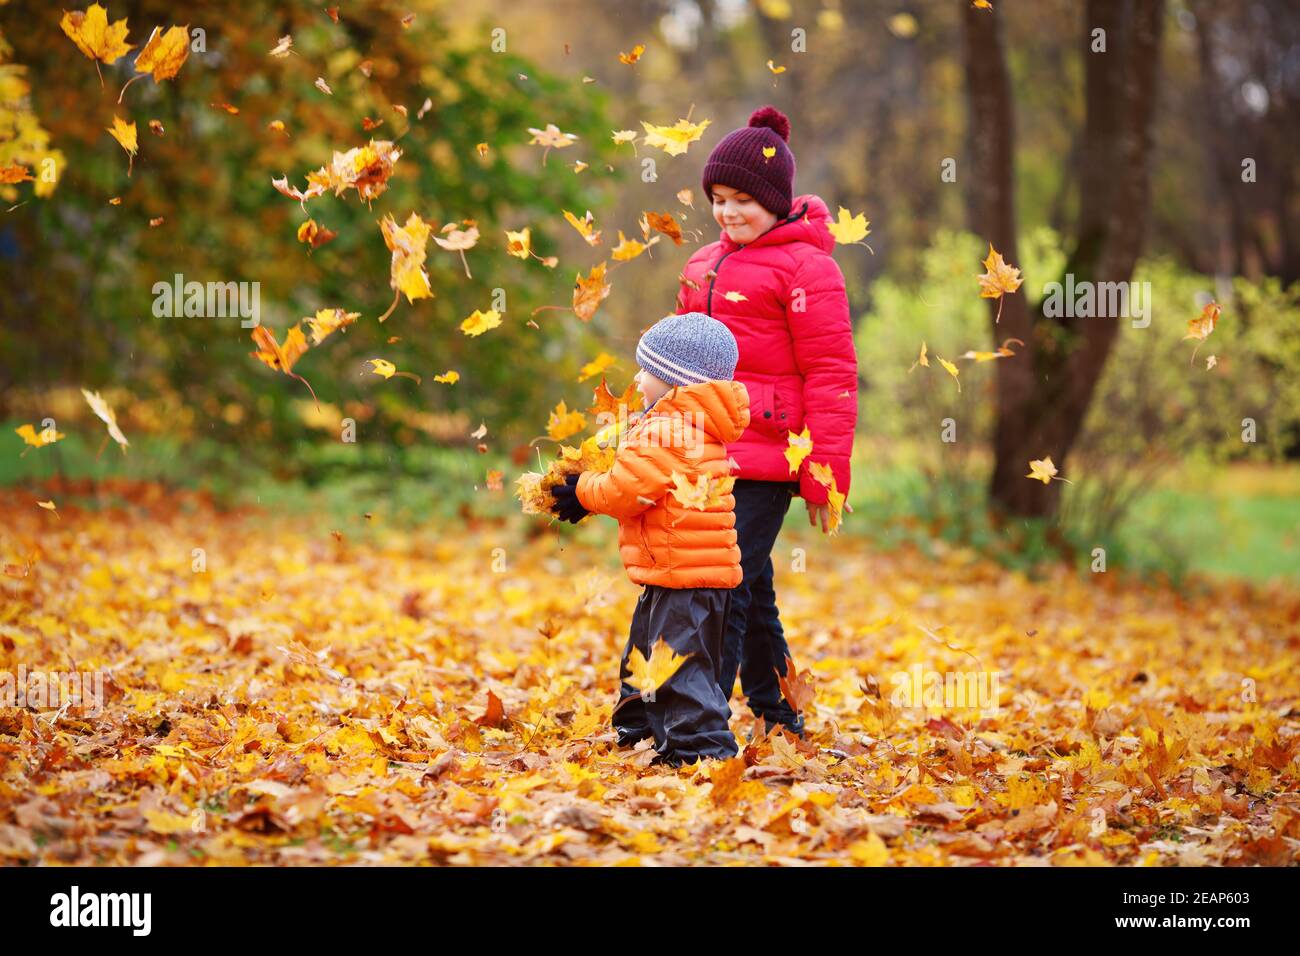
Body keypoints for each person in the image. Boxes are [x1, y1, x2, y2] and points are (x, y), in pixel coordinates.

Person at [675, 105, 860, 738]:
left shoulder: (809, 270)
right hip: (708, 451)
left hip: (768, 456)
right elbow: (680, 360)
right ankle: (781, 716)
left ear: (777, 202)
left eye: (744, 201)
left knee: (724, 580)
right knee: (750, 589)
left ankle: (703, 723)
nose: (728, 213)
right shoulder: (701, 265)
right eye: (719, 199)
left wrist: (824, 474)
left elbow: (831, 374)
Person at [549, 312, 750, 766]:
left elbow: (626, 491)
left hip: (685, 577)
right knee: (645, 656)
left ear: (677, 380)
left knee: (677, 665)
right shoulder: (688, 426)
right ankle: (639, 732)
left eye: (648, 371)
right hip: (679, 573)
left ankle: (704, 753)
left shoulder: (669, 430)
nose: (638, 379)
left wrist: (581, 491)